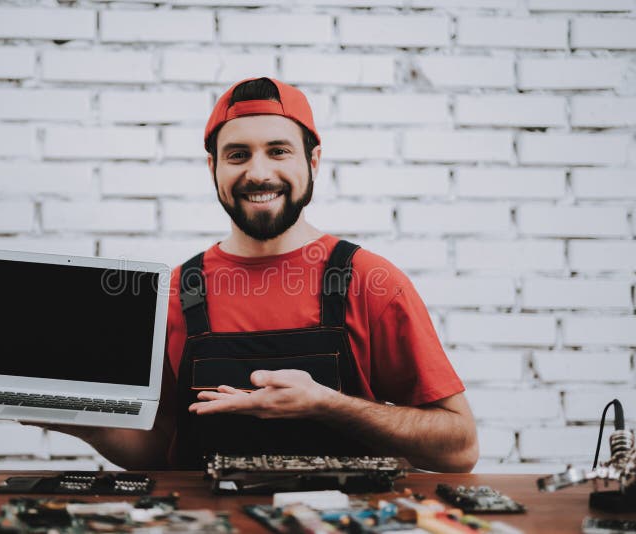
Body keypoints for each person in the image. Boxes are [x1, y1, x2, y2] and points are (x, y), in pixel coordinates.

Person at [47, 77, 478, 473]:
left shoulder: (370, 280)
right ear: (212, 167)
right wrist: (84, 424)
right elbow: (163, 450)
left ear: (313, 161)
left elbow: (459, 448)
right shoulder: (178, 291)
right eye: (237, 155)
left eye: (278, 151)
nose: (258, 173)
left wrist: (329, 406)